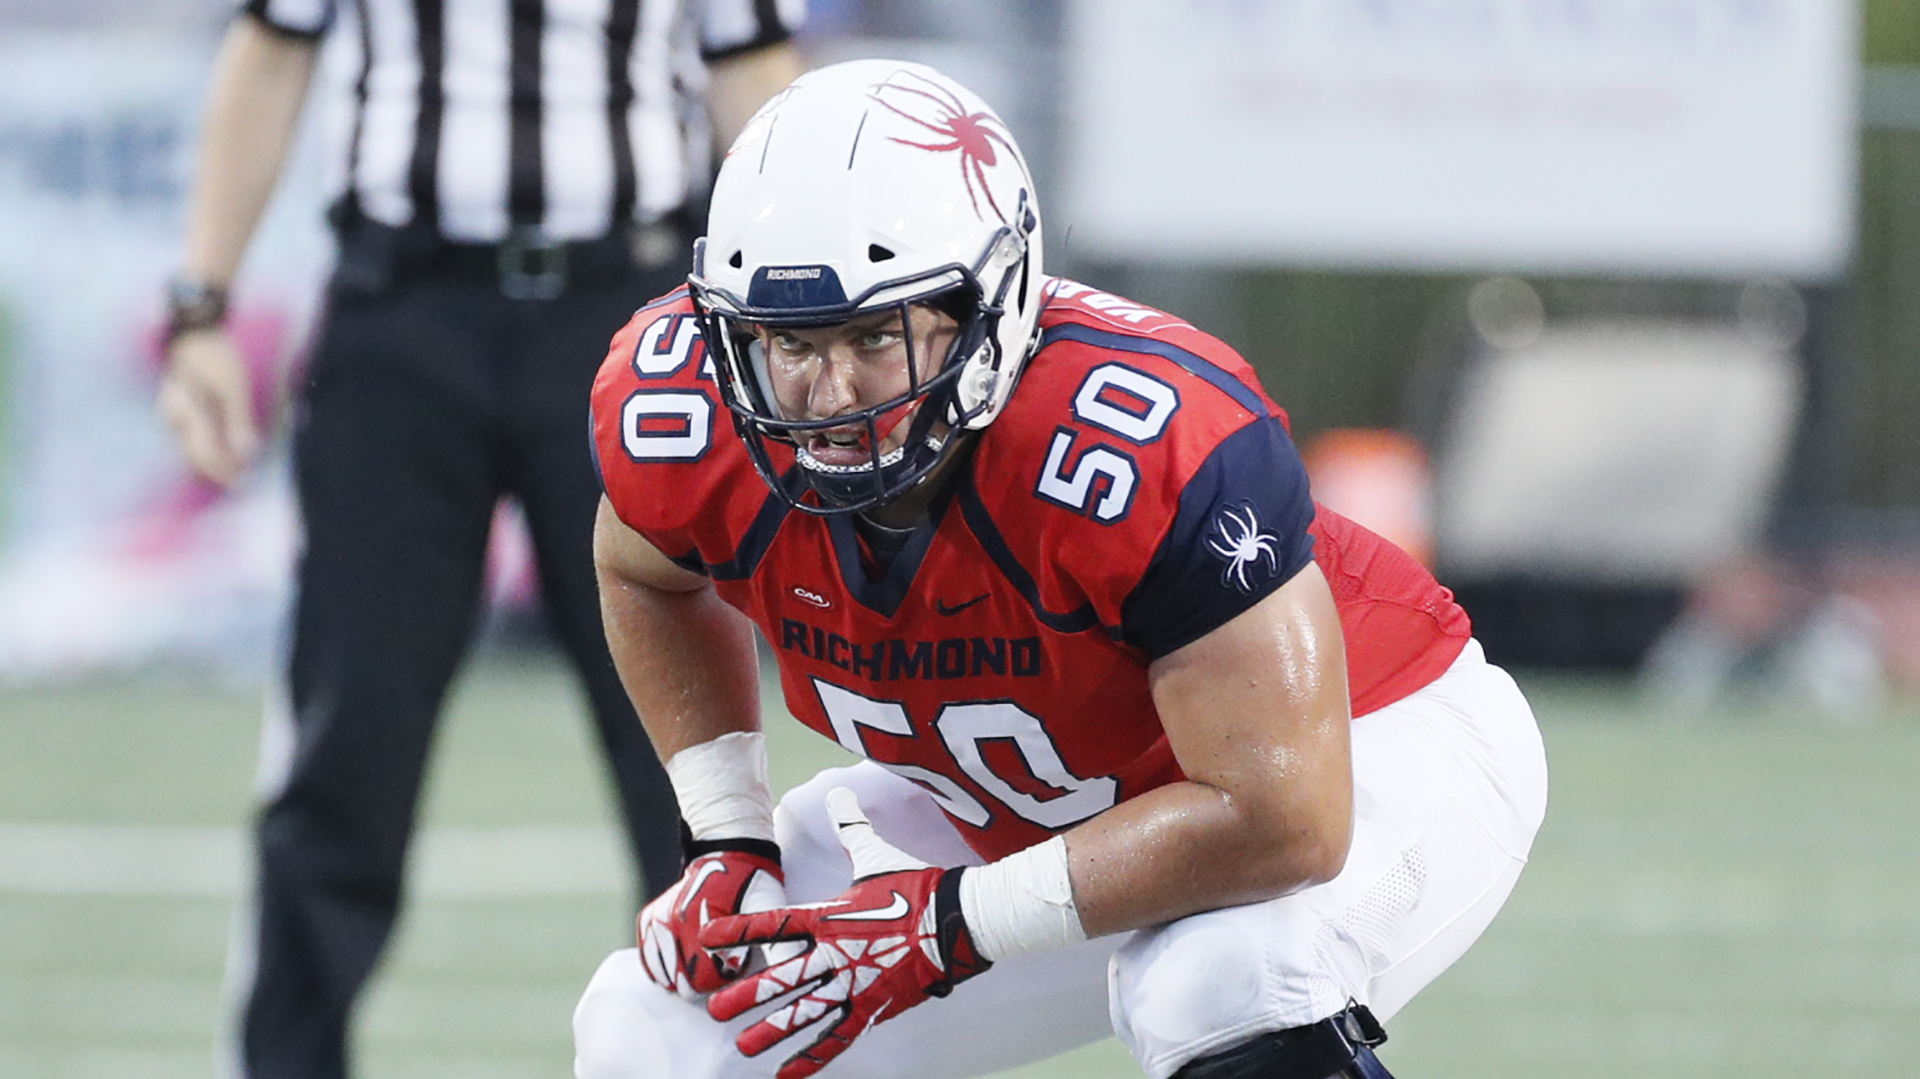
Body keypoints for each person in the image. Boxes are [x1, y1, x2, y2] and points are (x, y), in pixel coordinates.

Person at [577, 59, 1548, 1079]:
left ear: (987, 304)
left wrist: (951, 921)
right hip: (1028, 800)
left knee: (1221, 978)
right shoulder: (691, 416)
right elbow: (643, 571)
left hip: (1355, 745)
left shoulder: (1140, 443)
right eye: (791, 342)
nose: (831, 395)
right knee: (662, 1027)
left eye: (874, 334)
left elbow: (1284, 820)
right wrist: (726, 835)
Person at [154, 2, 804, 1076]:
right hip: (404, 311)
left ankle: (741, 1052)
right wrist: (201, 305)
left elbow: (753, 73)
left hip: (633, 314)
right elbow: (271, 50)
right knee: (347, 744)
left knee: (697, 765)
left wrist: (792, 316)